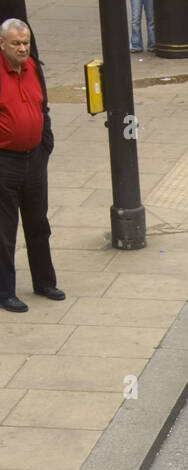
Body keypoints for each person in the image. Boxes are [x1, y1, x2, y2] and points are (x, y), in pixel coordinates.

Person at [0, 17, 63, 312]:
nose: (23, 48)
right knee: (5, 230)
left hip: (34, 158)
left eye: (26, 42)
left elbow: (42, 107)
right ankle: (5, 292)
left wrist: (45, 143)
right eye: (16, 43)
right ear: (2, 45)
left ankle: (45, 281)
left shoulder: (33, 69)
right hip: (5, 162)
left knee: (38, 222)